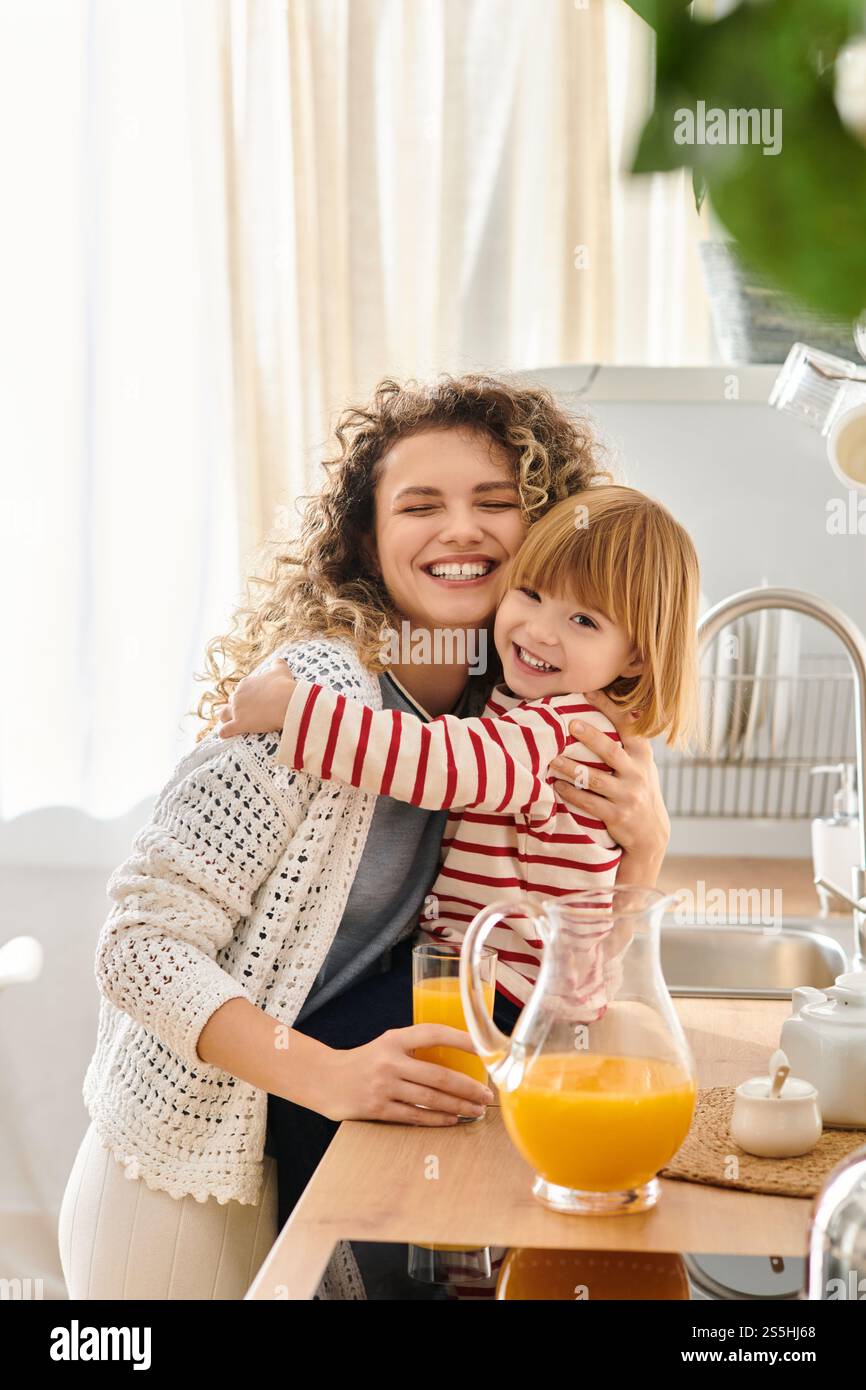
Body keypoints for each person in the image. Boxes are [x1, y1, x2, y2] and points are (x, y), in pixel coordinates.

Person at [58, 375, 672, 1301]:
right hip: (183, 1178)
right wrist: (332, 1080)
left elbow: (563, 942)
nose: (460, 530)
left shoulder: (502, 707)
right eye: (419, 505)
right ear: (368, 543)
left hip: (322, 1147)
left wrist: (648, 848)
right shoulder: (321, 694)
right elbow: (139, 950)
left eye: (495, 504)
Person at [218, 485, 699, 1018]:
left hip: (502, 992)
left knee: (299, 1072)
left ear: (635, 658)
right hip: (506, 986)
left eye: (583, 621)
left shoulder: (562, 732)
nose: (539, 630)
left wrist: (297, 711)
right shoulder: (554, 712)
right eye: (531, 593)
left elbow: (435, 765)